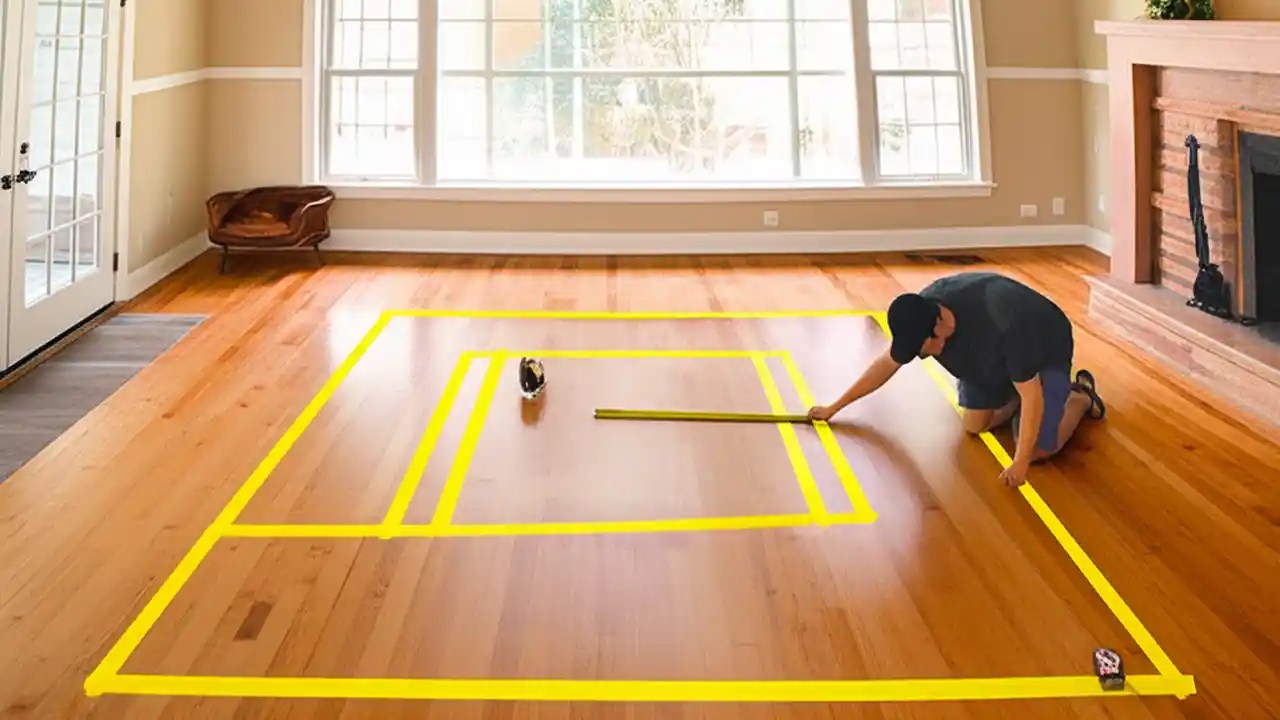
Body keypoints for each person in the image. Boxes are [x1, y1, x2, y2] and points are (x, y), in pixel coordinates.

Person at [807, 272, 1105, 488]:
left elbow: (1032, 396)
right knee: (974, 426)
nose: (923, 356)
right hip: (989, 359)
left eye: (925, 348)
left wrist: (1020, 461)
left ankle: (1079, 397)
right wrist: (834, 408)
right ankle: (1011, 386)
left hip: (1044, 346)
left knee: (1039, 449)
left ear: (940, 324)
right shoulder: (921, 313)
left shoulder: (1004, 317)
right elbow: (886, 364)